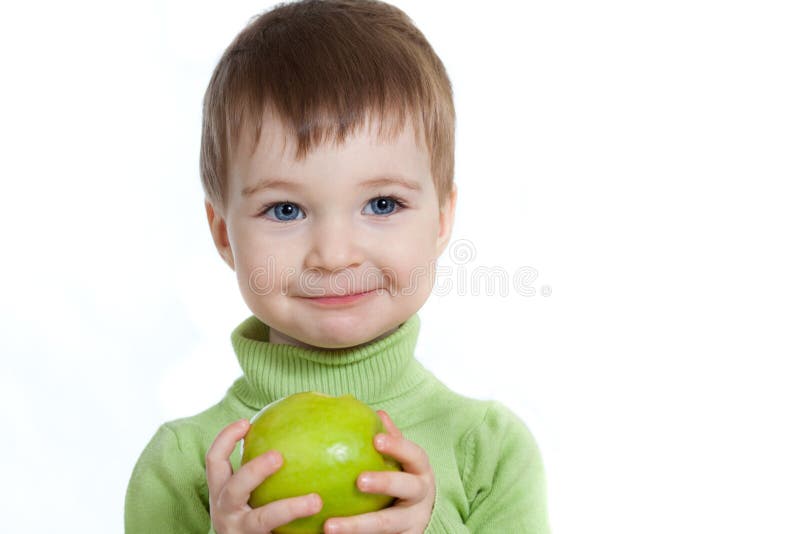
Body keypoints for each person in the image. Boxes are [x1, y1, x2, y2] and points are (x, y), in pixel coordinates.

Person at [124, 0, 550, 532]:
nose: (334, 254)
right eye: (286, 210)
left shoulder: (488, 452)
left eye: (382, 204)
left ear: (441, 221)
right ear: (223, 234)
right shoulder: (183, 468)